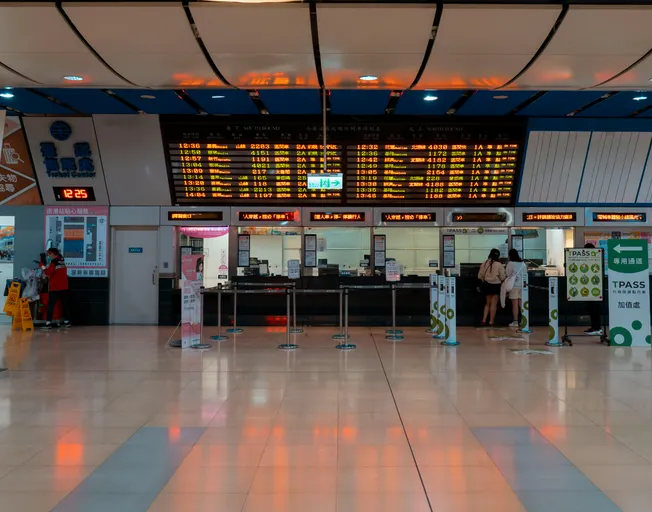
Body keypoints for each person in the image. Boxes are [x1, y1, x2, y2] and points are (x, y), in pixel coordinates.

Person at [40, 248, 70, 329]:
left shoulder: (53, 262)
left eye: (49, 254)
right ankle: (67, 322)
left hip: (55, 288)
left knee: (51, 305)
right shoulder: (61, 260)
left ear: (52, 254)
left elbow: (49, 273)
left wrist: (41, 266)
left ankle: (48, 323)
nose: (48, 256)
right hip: (64, 287)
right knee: (65, 305)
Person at [478, 248, 506, 326]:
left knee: (488, 303)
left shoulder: (484, 263)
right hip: (496, 285)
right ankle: (491, 321)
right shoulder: (499, 264)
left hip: (486, 285)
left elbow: (480, 276)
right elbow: (503, 277)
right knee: (494, 304)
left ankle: (484, 319)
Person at [504, 248, 526, 327]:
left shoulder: (510, 263)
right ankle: (524, 321)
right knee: (521, 304)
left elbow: (507, 274)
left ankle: (515, 321)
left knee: (515, 304)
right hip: (522, 286)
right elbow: (525, 274)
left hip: (514, 286)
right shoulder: (523, 263)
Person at [584, 243, 602, 335]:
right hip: (593, 288)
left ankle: (596, 328)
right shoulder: (595, 259)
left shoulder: (593, 259)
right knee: (593, 309)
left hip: (593, 289)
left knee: (594, 309)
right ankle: (595, 327)